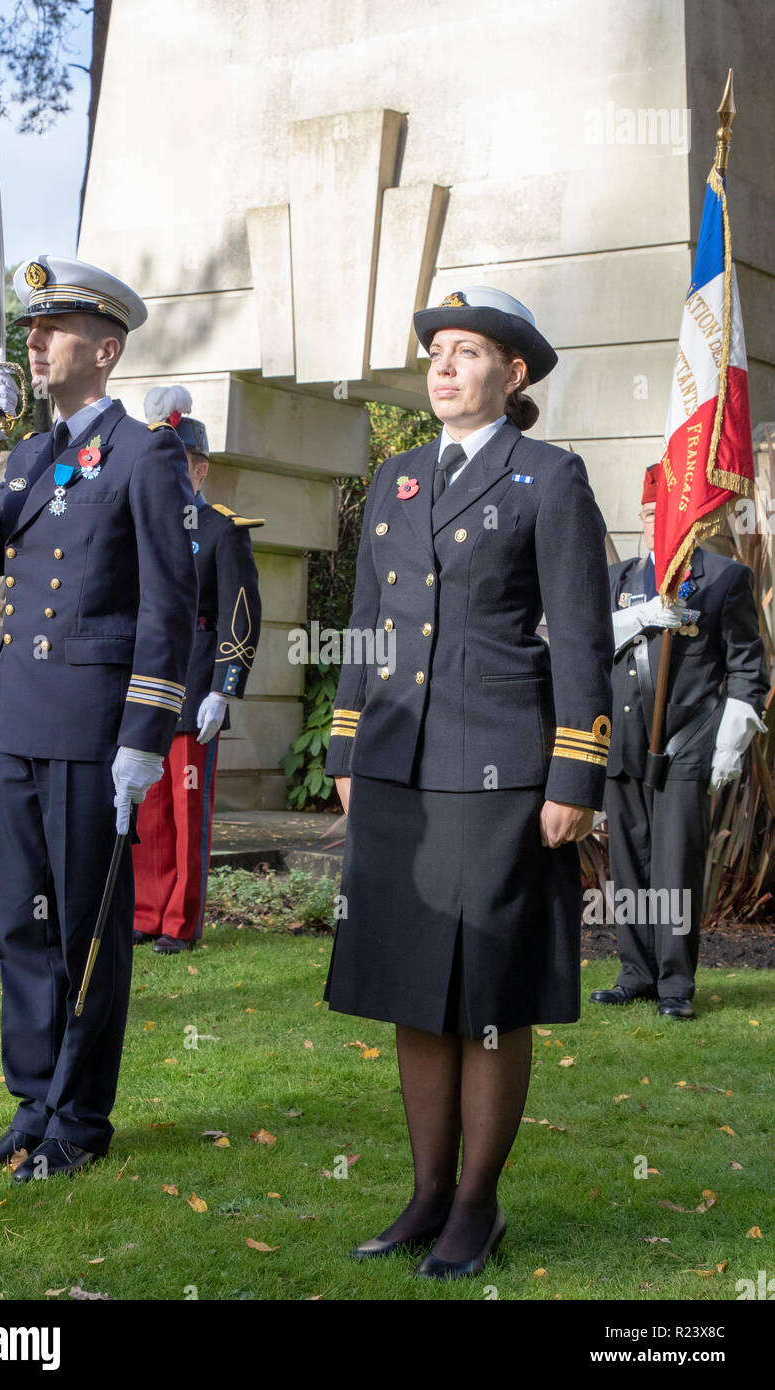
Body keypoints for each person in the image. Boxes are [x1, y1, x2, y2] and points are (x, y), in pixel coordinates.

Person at [324, 286, 614, 1278]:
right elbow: (365, 624)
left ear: (512, 373)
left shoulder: (547, 477)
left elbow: (581, 634)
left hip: (499, 775)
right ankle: (426, 1193)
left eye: (465, 351)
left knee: (486, 989)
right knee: (415, 986)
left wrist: (573, 770)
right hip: (398, 765)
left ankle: (478, 1204)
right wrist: (346, 747)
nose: (442, 366)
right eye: (434, 352)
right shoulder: (395, 479)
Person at [0, 255, 198, 1179]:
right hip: (19, 718)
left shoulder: (145, 453)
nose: (35, 343)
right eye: (31, 329)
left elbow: (170, 609)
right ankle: (31, 1103)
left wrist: (144, 738)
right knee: (21, 918)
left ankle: (79, 1118)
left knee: (84, 928)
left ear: (106, 348)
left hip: (95, 726)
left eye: (53, 330)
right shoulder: (29, 455)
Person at [590, 463, 768, 1019]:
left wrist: (729, 744)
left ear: (689, 520)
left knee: (676, 866)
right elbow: (588, 644)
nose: (652, 525)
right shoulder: (620, 580)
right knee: (630, 862)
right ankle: (635, 973)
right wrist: (644, 615)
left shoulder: (723, 578)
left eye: (663, 514)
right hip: (623, 742)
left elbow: (746, 668)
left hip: (687, 741)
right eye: (646, 514)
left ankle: (674, 985)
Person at [132, 385, 262, 953]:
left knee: (187, 812)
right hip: (142, 691)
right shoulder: (139, 530)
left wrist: (223, 690)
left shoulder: (222, 531)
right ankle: (145, 912)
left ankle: (180, 923)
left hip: (192, 691)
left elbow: (242, 615)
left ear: (200, 469)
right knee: (148, 808)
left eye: (178, 462)